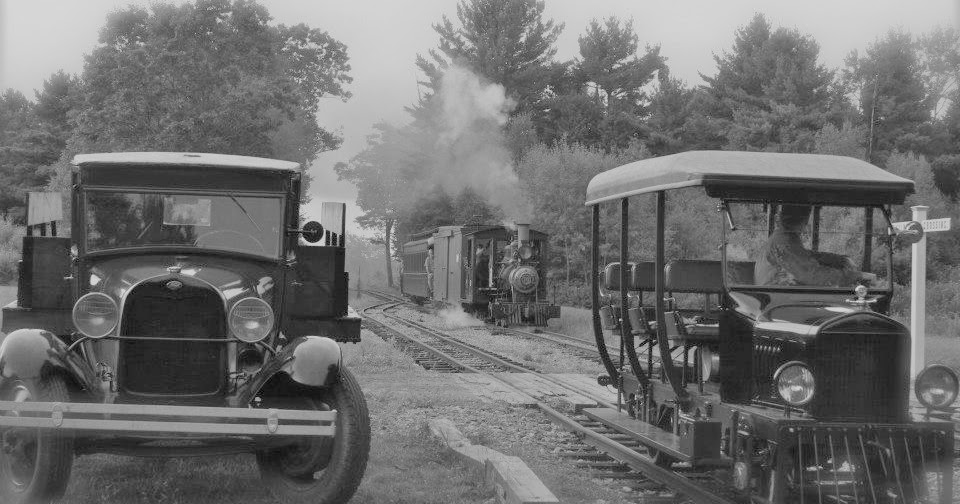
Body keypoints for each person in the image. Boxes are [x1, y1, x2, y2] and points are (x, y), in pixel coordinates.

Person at [754, 204, 867, 287]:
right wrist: (849, 277)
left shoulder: (784, 238)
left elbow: (806, 256)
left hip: (779, 296)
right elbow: (811, 274)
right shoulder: (784, 242)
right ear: (805, 220)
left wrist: (839, 260)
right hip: (778, 299)